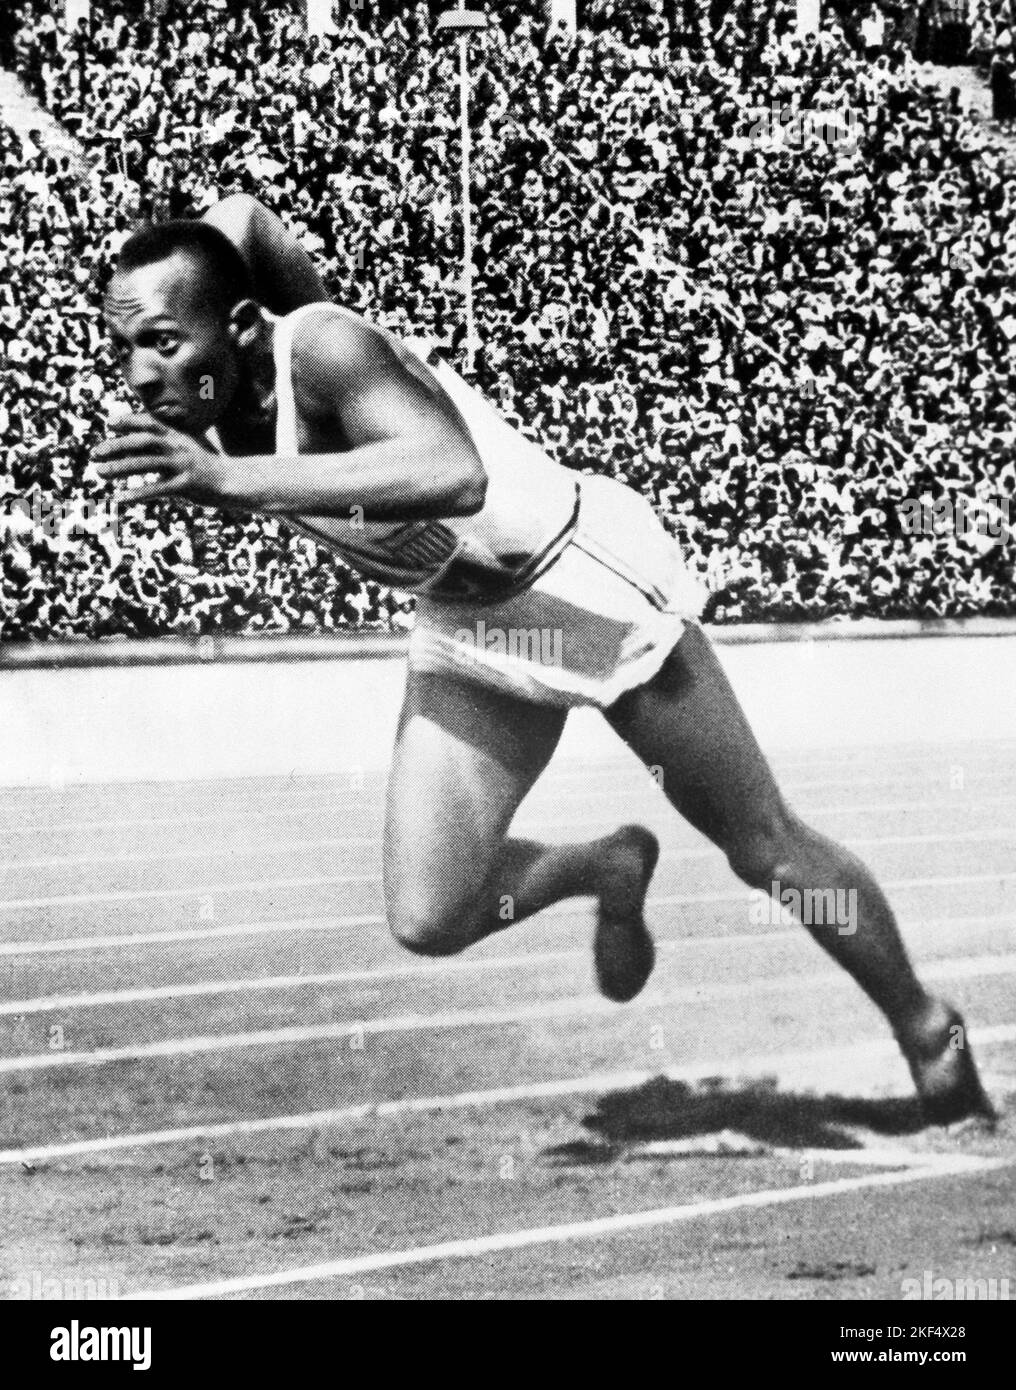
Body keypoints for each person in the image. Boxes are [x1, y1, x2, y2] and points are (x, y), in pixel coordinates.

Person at [95, 194, 995, 1127]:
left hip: (576, 586)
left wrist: (230, 476)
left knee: (761, 844)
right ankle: (601, 868)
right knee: (430, 915)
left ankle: (928, 1028)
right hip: (465, 622)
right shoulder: (204, 405)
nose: (141, 372)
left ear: (241, 325)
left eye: (162, 339)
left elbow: (455, 473)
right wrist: (194, 277)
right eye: (127, 347)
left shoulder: (323, 349)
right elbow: (238, 217)